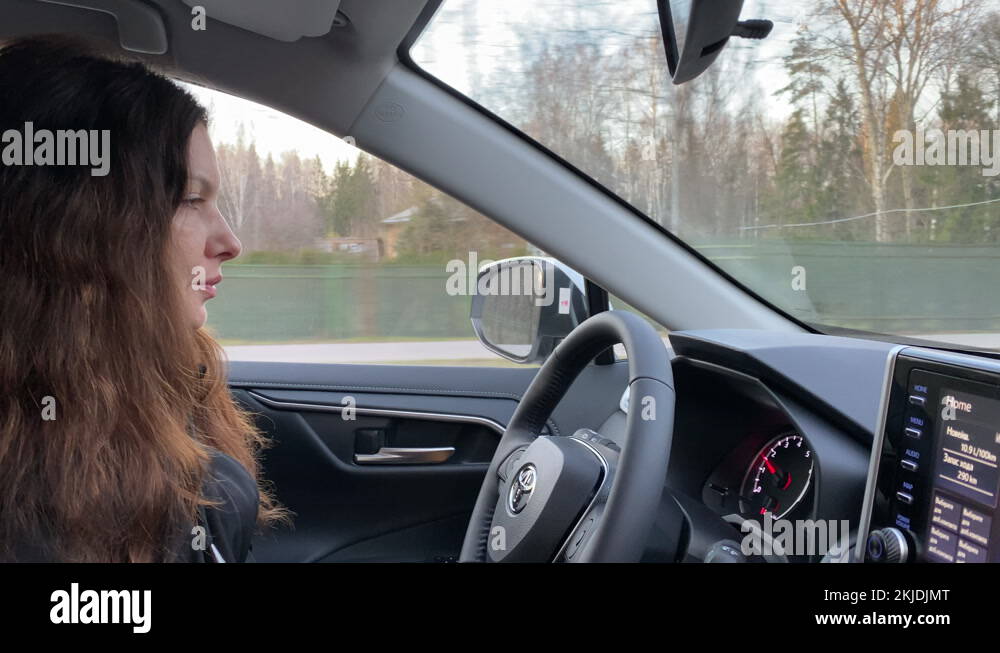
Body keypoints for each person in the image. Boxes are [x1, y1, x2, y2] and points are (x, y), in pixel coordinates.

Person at [0, 35, 288, 562]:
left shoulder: (173, 393)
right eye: (189, 199)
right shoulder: (36, 512)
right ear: (79, 229)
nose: (229, 243)